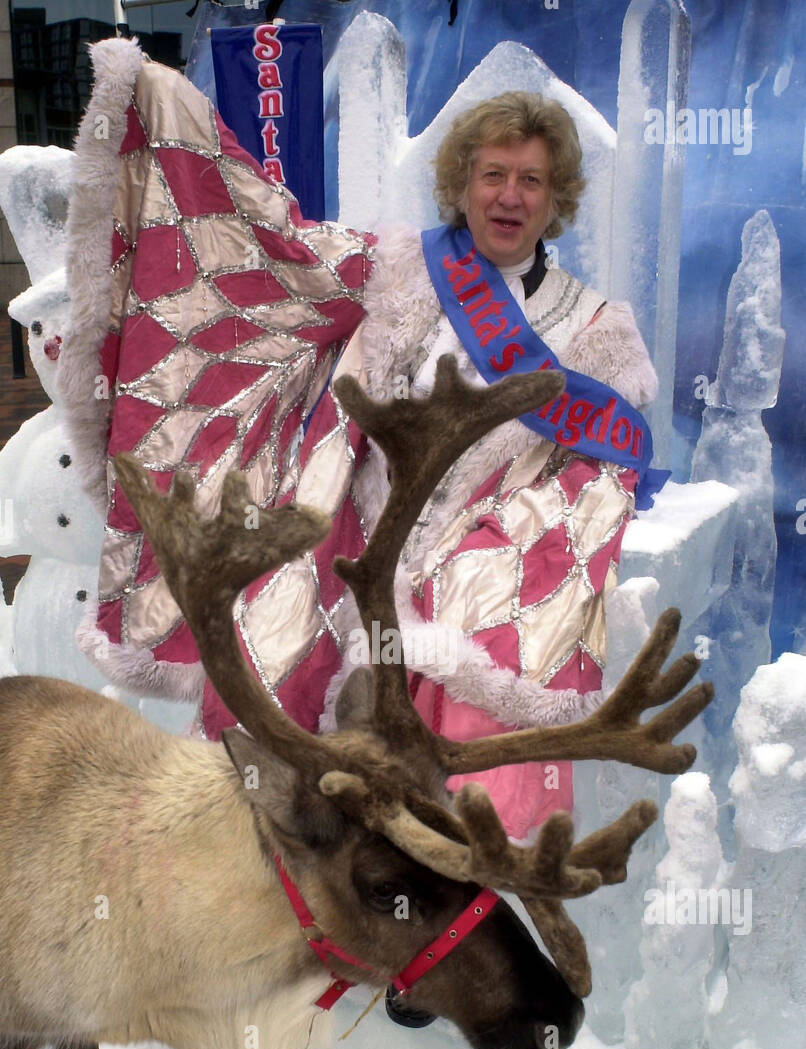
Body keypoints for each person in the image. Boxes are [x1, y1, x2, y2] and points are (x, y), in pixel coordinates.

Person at [62, 42, 658, 849]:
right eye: (493, 174)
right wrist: (160, 101)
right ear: (462, 184)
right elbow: (274, 252)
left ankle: (453, 896)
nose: (509, 195)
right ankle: (270, 878)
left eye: (531, 180)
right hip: (352, 540)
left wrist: (470, 568)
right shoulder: (401, 266)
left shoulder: (598, 333)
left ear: (557, 201)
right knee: (272, 646)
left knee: (468, 693)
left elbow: (591, 480)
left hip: (474, 563)